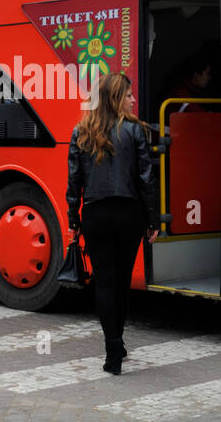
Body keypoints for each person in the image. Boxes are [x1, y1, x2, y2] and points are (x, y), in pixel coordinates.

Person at [66, 72, 158, 375]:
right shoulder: (136, 130)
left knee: (104, 282)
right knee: (122, 281)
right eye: (129, 94)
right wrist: (152, 218)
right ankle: (118, 341)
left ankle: (112, 350)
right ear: (117, 98)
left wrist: (73, 218)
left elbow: (74, 180)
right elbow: (146, 179)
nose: (134, 99)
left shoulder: (81, 131)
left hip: (95, 214)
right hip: (129, 214)